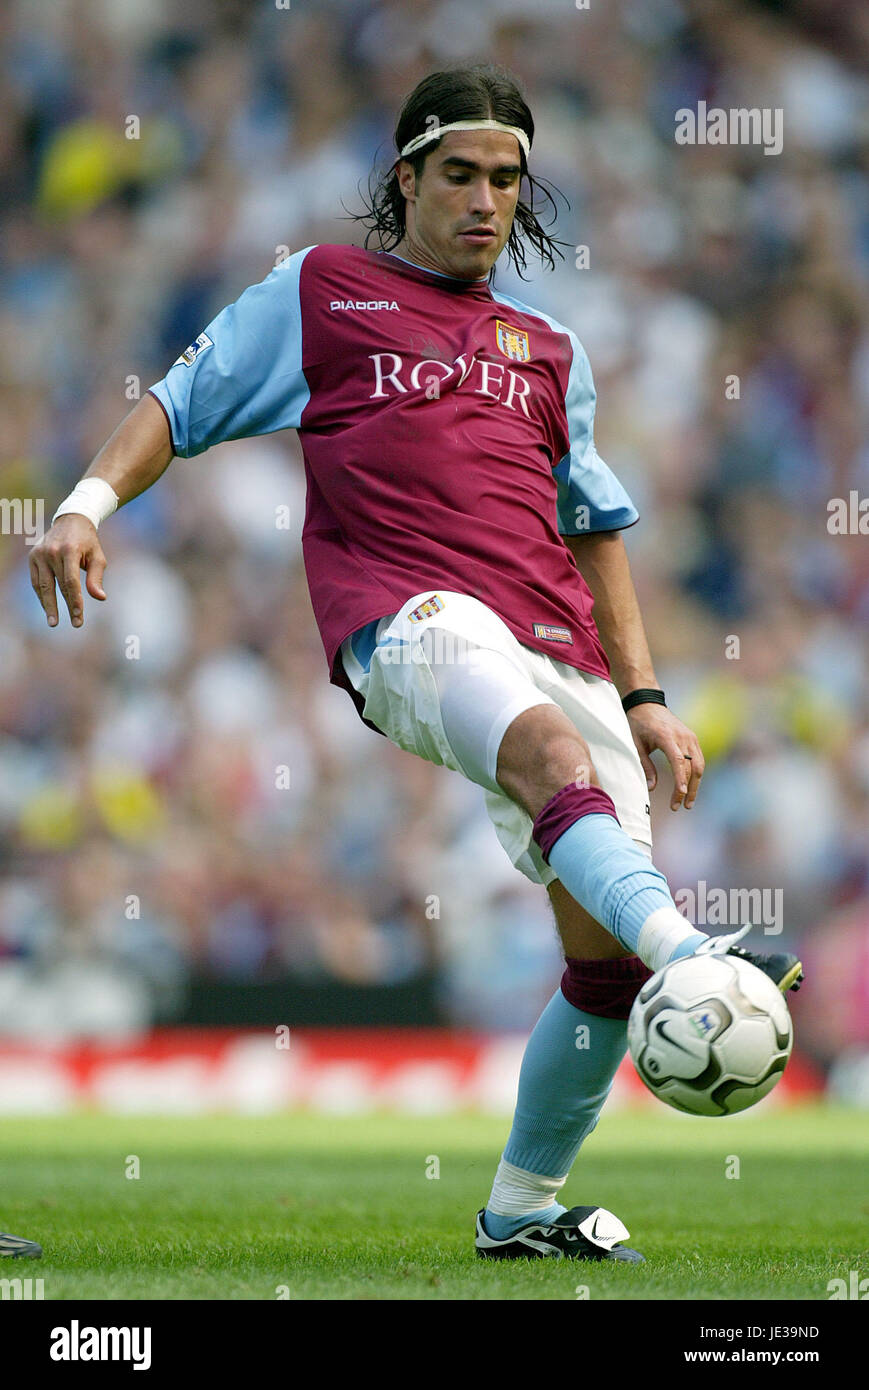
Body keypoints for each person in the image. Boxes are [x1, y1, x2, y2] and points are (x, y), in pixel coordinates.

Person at [30, 64, 802, 1264]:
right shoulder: (323, 290)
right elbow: (178, 406)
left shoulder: (547, 348)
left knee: (595, 971)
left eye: (505, 178)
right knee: (554, 772)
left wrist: (644, 698)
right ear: (406, 179)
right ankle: (696, 958)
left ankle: (520, 1209)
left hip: (557, 639)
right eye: (459, 174)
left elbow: (594, 532)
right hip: (408, 616)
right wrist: (84, 503)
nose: (485, 199)